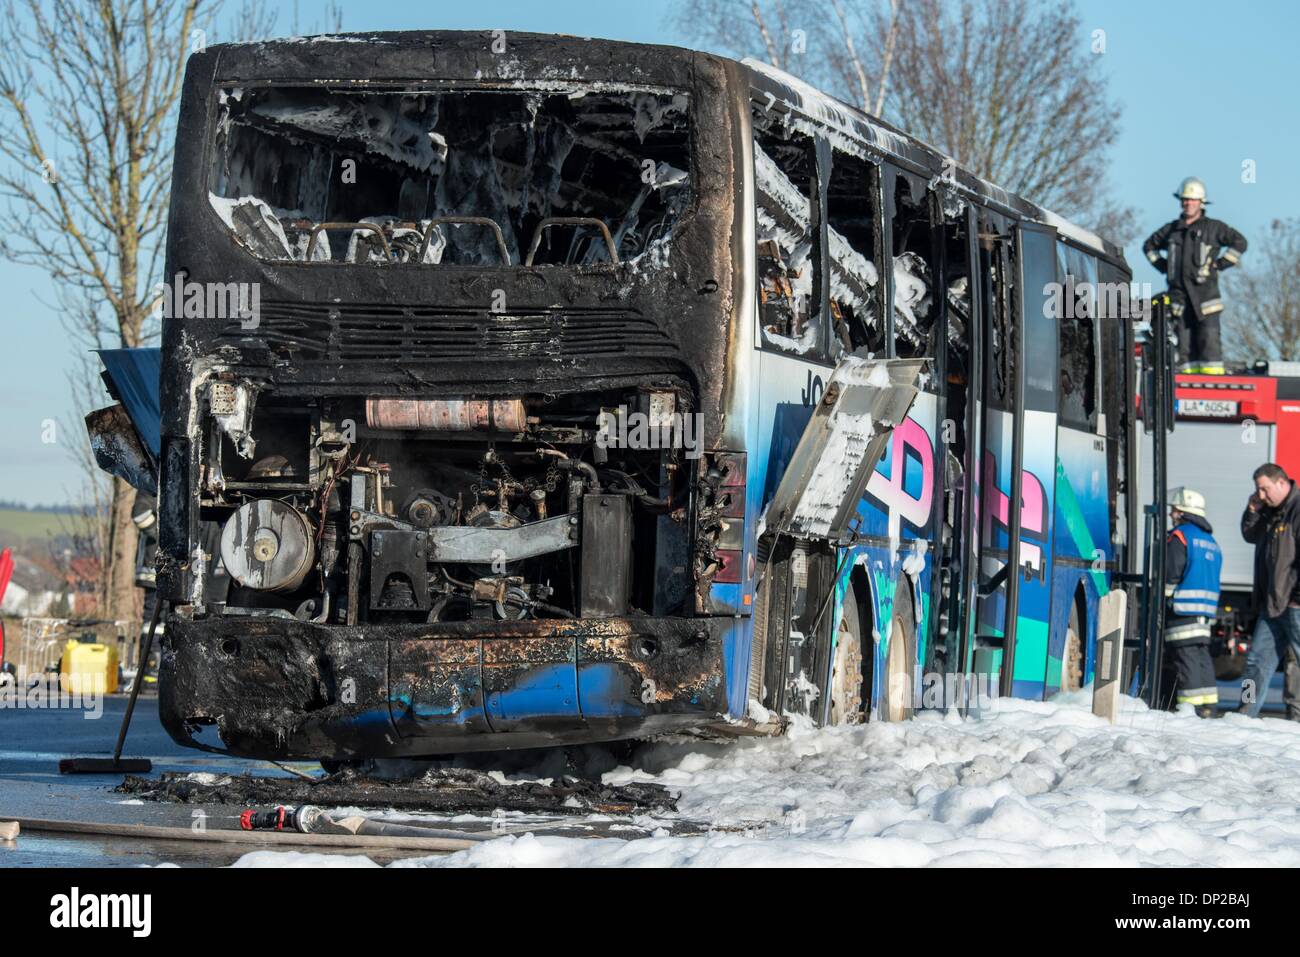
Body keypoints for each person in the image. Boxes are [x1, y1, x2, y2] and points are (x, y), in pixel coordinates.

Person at [1142, 177, 1247, 375]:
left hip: (1205, 298)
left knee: (1209, 344)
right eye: (1185, 199)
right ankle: (1186, 390)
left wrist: (1220, 264)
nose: (1188, 203)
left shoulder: (1214, 228)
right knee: (1183, 348)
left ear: (1201, 202)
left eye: (1192, 199)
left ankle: (1211, 388)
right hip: (1179, 300)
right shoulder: (1172, 230)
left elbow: (1240, 242)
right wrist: (1165, 268)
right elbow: (1148, 246)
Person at [1238, 463, 1300, 717]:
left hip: (1295, 604)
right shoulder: (1270, 513)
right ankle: (1244, 715)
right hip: (1272, 605)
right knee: (1256, 663)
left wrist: (1298, 598)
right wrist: (1252, 510)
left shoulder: (1297, 511)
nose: (1261, 495)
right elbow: (1250, 534)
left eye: (1264, 489)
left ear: (1282, 483)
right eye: (1257, 491)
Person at [1163, 488, 1223, 716]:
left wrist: (1162, 596)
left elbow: (1172, 572)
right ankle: (1208, 706)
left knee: (1185, 658)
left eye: (1174, 510)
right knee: (1201, 657)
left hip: (1182, 610)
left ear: (1182, 512)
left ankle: (1191, 710)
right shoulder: (1211, 542)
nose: (1171, 515)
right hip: (1204, 613)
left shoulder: (1181, 536)